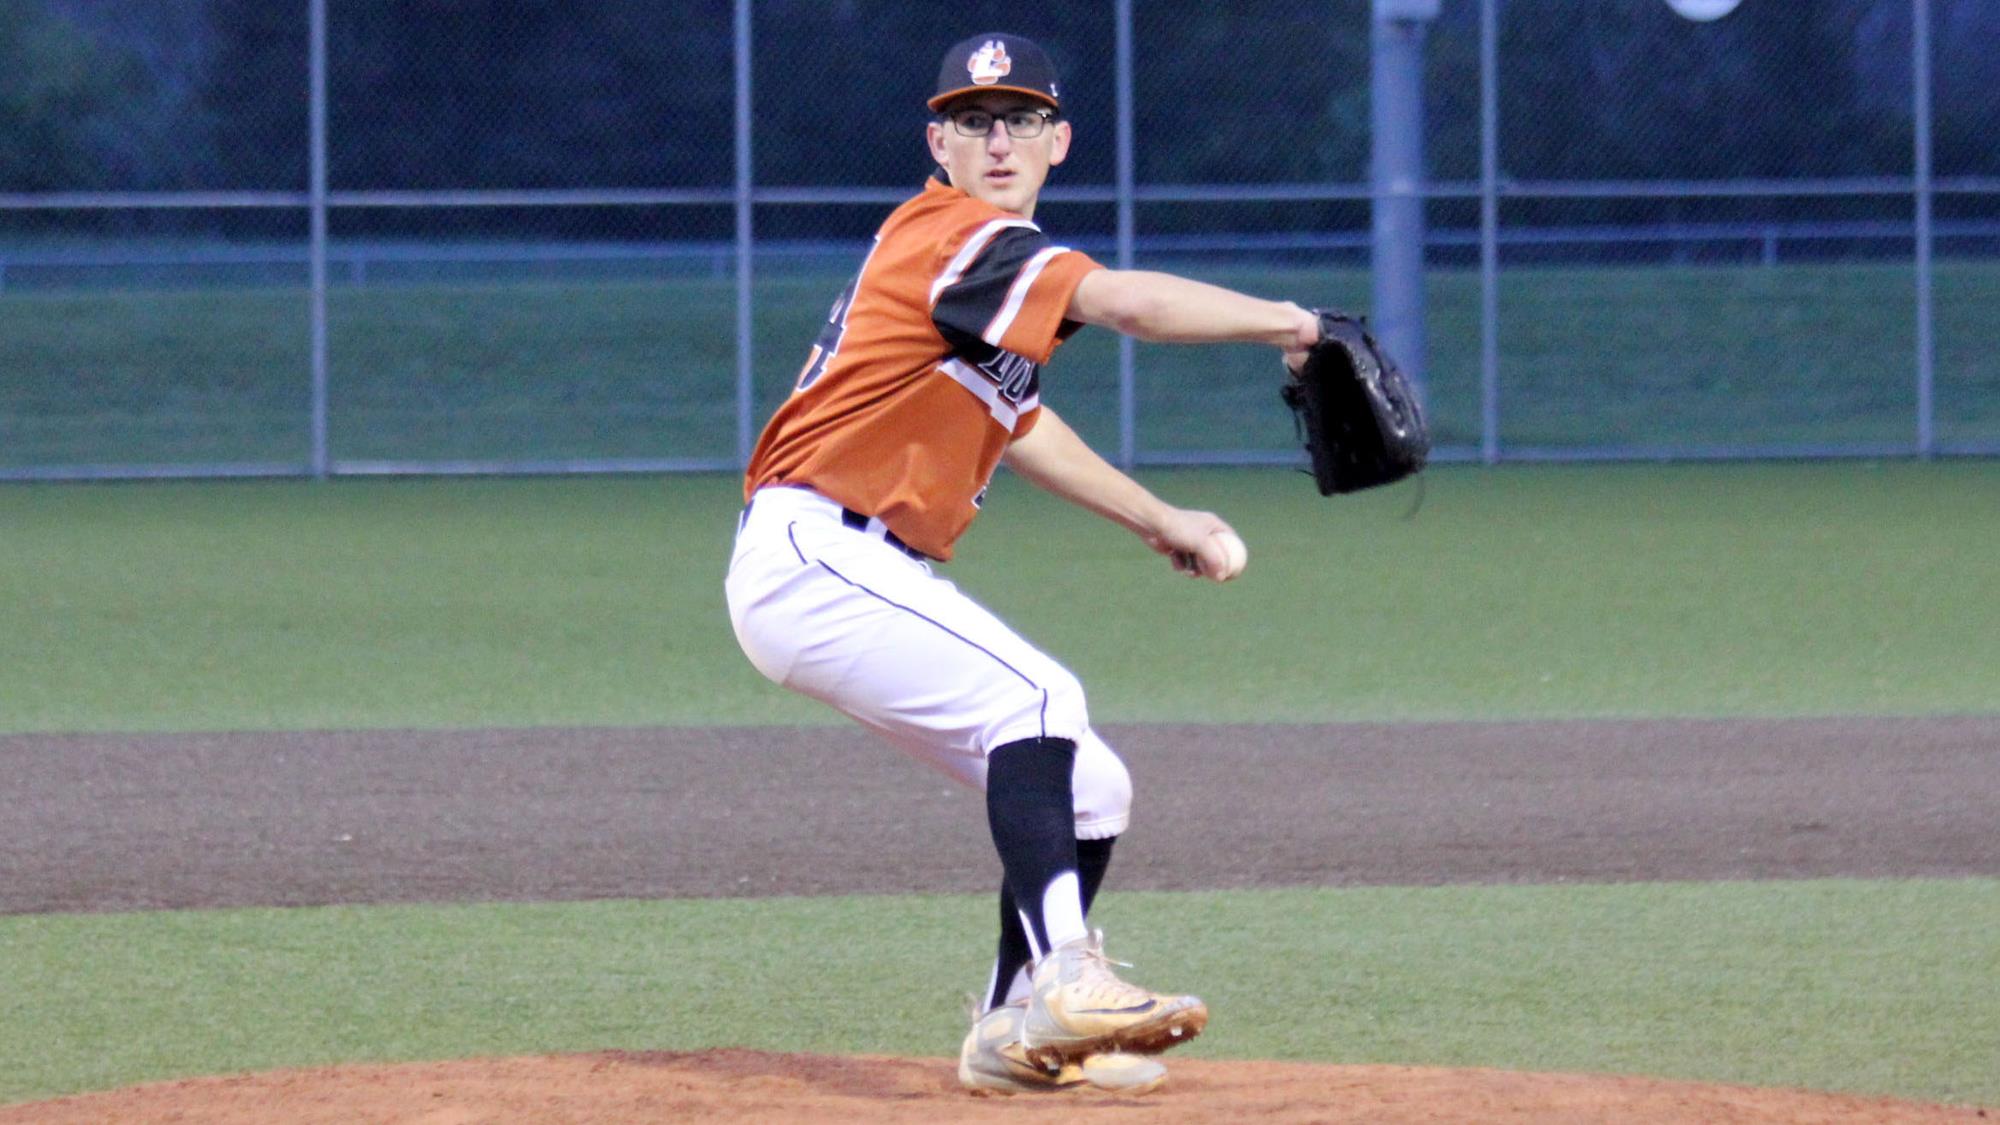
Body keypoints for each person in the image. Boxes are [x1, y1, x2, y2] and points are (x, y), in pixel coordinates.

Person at [724, 31, 1320, 1096]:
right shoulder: (949, 235)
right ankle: (1065, 976)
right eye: (970, 120)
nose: (996, 141)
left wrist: (1155, 517)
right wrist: (1292, 323)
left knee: (1090, 783)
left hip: (848, 564)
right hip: (812, 552)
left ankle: (1008, 1033)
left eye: (1019, 119)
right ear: (936, 143)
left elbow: (1018, 417)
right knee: (1038, 697)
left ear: (1059, 139)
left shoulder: (984, 269)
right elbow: (1128, 303)